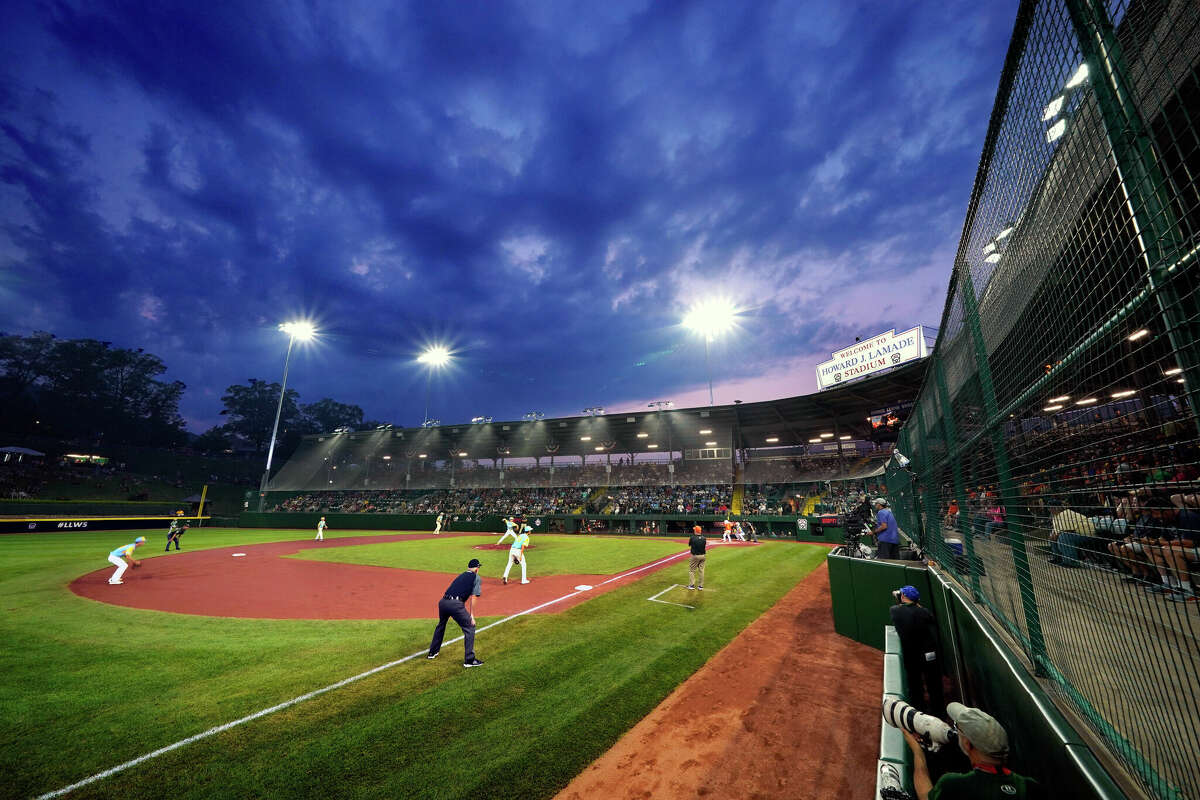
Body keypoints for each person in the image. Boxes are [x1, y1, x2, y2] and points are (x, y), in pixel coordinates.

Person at [903, 703, 1043, 799]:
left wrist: (917, 751)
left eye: (959, 730)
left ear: (967, 744)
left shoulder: (954, 785)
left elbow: (924, 796)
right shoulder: (1030, 787)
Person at [889, 586, 943, 712]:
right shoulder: (924, 612)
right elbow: (929, 618)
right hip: (929, 653)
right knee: (934, 684)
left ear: (903, 597)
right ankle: (939, 712)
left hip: (912, 654)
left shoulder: (895, 611)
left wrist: (899, 600)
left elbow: (900, 610)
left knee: (915, 685)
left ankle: (918, 712)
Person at [427, 558, 484, 667]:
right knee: (470, 627)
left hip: (443, 602)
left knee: (441, 625)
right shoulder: (476, 577)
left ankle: (432, 652)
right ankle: (469, 660)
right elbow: (474, 597)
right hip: (455, 605)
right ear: (477, 569)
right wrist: (472, 615)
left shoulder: (461, 575)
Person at [687, 524, 706, 590]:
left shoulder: (692, 537)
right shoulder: (704, 538)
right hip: (703, 556)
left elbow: (689, 544)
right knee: (701, 571)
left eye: (694, 530)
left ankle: (691, 585)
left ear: (696, 531)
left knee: (692, 571)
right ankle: (700, 586)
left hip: (695, 556)